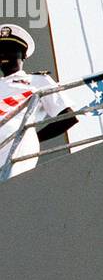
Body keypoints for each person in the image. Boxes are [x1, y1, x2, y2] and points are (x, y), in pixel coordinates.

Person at [0, 24, 78, 179]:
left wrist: (30, 138)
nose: (3, 54)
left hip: (15, 150)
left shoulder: (37, 81)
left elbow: (68, 117)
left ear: (23, 55)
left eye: (9, 48)